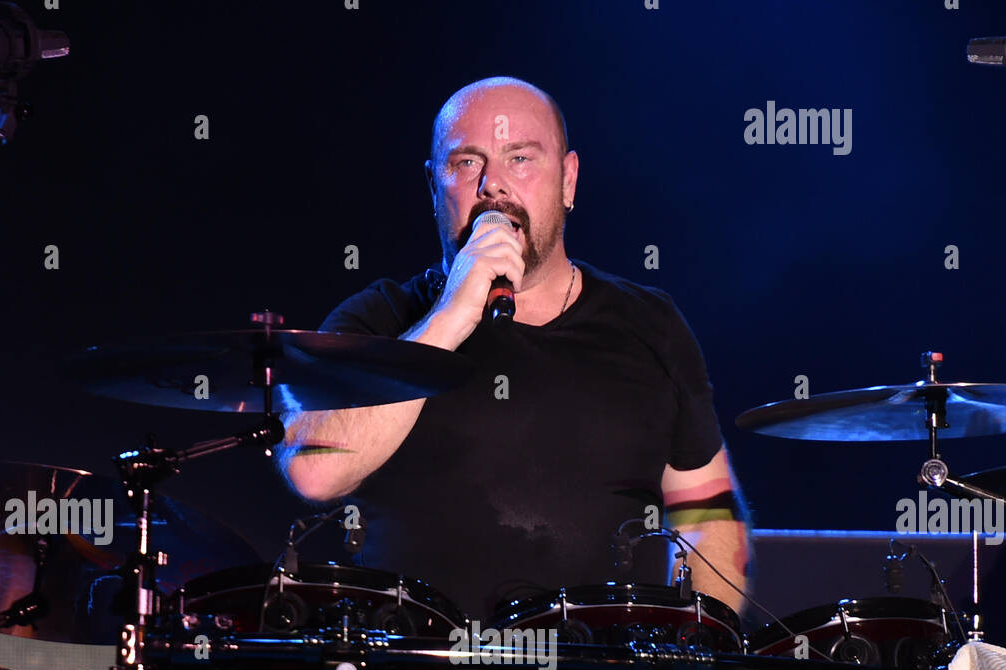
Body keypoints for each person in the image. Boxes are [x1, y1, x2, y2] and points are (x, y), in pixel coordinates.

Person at [281, 76, 749, 621]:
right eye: (465, 163)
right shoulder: (381, 319)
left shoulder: (650, 323)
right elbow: (314, 472)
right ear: (434, 187)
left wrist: (698, 652)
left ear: (568, 181)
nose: (493, 187)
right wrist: (451, 317)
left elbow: (707, 511)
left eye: (520, 158)